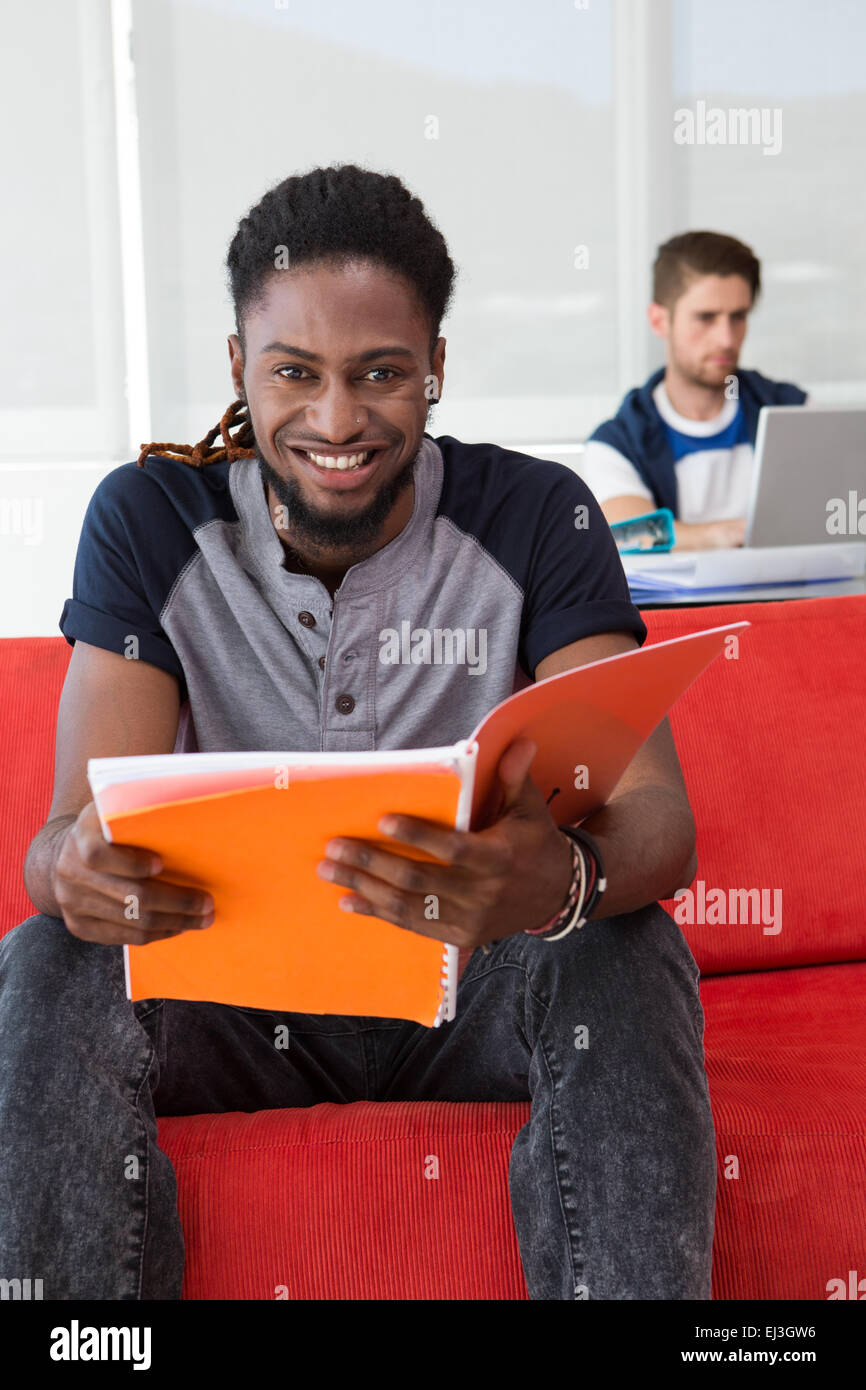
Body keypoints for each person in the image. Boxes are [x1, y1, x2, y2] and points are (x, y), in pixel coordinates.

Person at [1, 165, 715, 1301]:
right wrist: (72, 872)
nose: (336, 422)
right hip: (231, 997)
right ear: (239, 366)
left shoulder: (539, 514)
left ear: (436, 365)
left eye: (380, 374)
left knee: (623, 942)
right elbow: (58, 848)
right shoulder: (148, 520)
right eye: (295, 373)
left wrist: (560, 881)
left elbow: (660, 825)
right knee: (47, 959)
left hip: (466, 985)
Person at [582, 231, 808, 550]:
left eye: (738, 317)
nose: (726, 339)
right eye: (706, 317)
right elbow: (631, 535)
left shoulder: (796, 411)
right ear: (660, 321)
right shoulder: (617, 444)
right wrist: (725, 535)